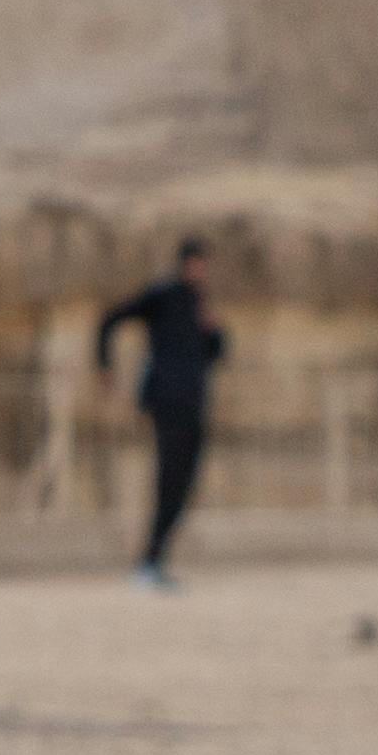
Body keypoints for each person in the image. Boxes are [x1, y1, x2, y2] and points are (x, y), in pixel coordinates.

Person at [91, 236, 227, 595]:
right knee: (168, 479)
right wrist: (105, 366)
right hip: (166, 401)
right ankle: (148, 564)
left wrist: (214, 332)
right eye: (196, 262)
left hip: (194, 402)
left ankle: (155, 560)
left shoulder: (199, 304)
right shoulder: (162, 294)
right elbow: (110, 319)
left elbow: (213, 355)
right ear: (185, 263)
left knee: (185, 482)